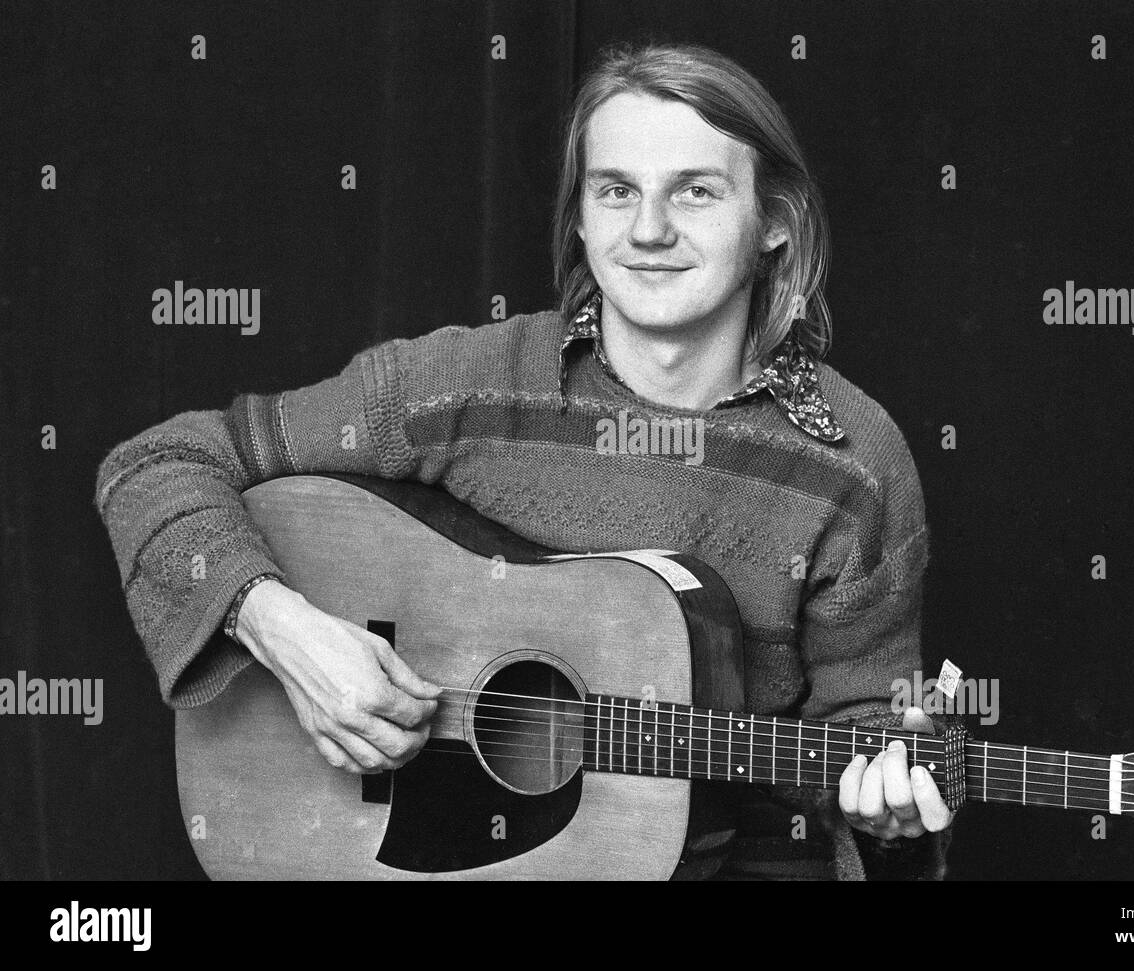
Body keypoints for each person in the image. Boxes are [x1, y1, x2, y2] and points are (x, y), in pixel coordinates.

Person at [96, 41, 954, 880]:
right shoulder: (461, 389)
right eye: (616, 191)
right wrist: (287, 633)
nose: (648, 230)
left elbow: (873, 738)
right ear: (580, 217)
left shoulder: (854, 459)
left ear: (774, 221)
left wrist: (893, 817)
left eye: (694, 192)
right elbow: (157, 462)